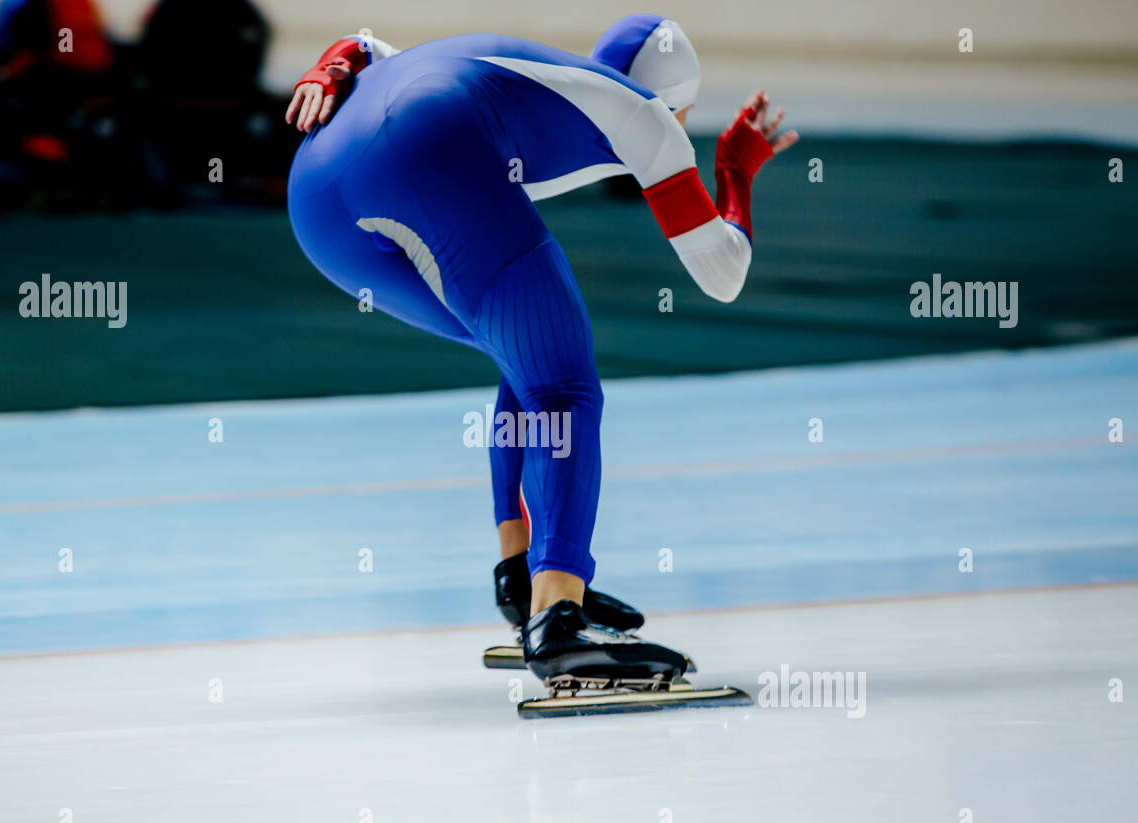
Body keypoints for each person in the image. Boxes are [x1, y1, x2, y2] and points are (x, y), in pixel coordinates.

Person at [284, 15, 796, 682]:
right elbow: (721, 274)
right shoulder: (645, 116)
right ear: (676, 101)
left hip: (315, 195)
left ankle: (522, 575)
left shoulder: (544, 83)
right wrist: (734, 172)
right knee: (563, 384)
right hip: (423, 149)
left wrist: (327, 67)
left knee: (520, 351)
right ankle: (559, 621)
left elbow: (368, 47)